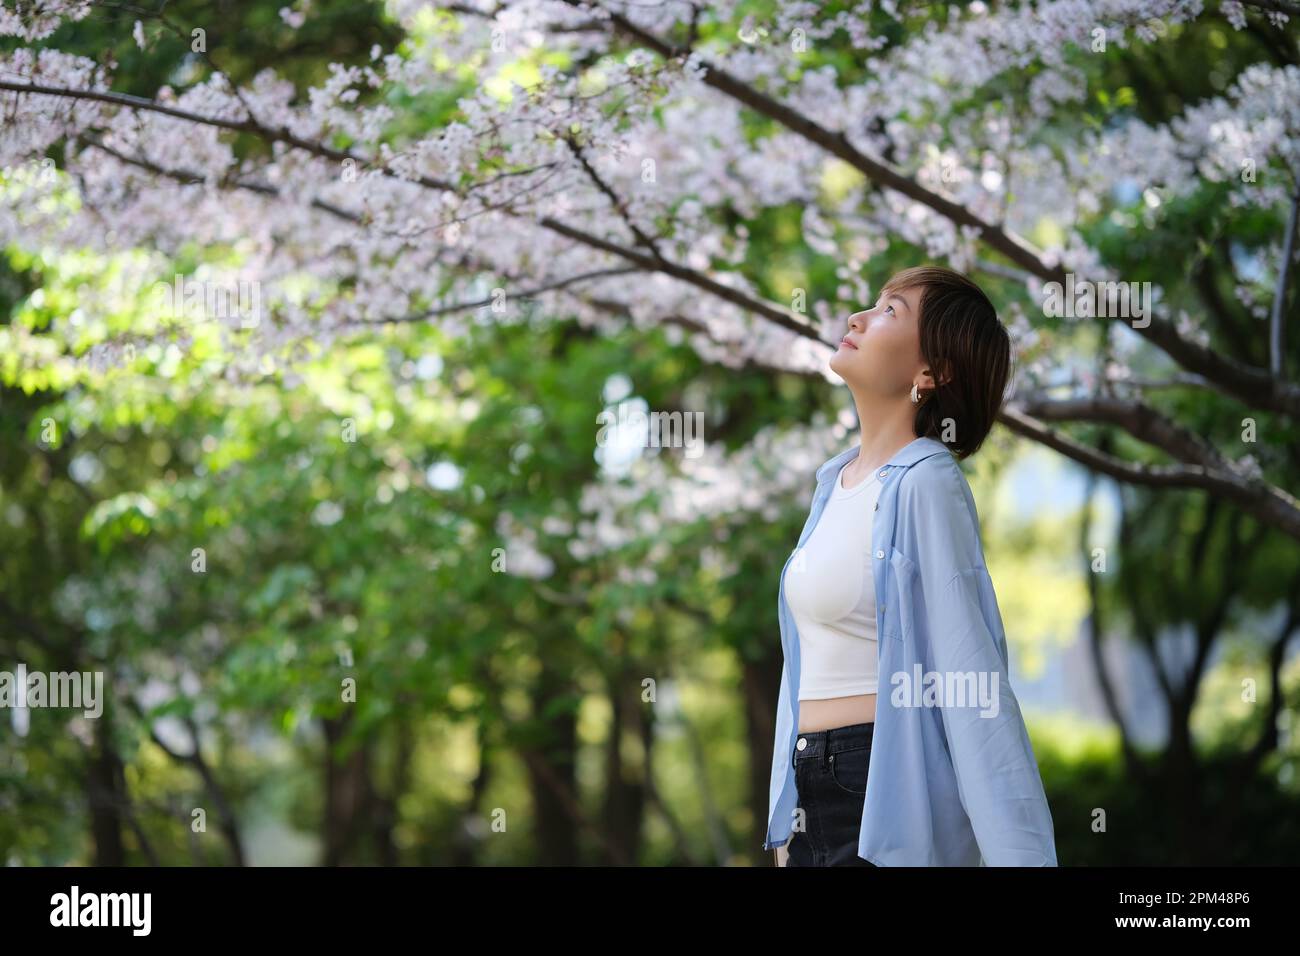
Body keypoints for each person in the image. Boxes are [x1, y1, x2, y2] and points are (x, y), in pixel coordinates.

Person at [767, 265, 1057, 867]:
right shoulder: (832, 482)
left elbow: (970, 671)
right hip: (809, 794)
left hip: (878, 791)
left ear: (933, 371)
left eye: (890, 312)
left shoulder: (927, 481)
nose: (858, 318)